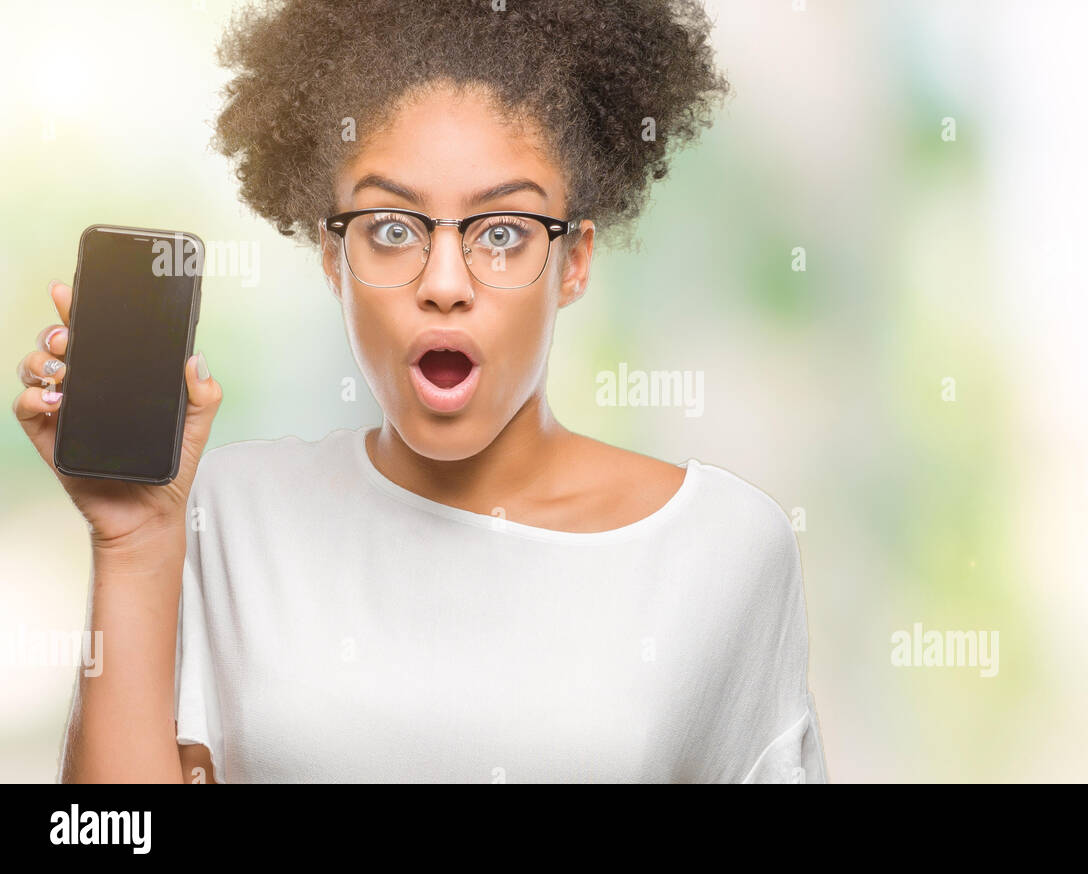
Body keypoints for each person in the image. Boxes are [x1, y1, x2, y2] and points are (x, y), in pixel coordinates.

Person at [14, 0, 827, 783]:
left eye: (502, 233)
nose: (444, 283)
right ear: (332, 257)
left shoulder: (722, 548)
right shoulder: (221, 512)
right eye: (392, 228)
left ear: (574, 261)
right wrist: (131, 538)